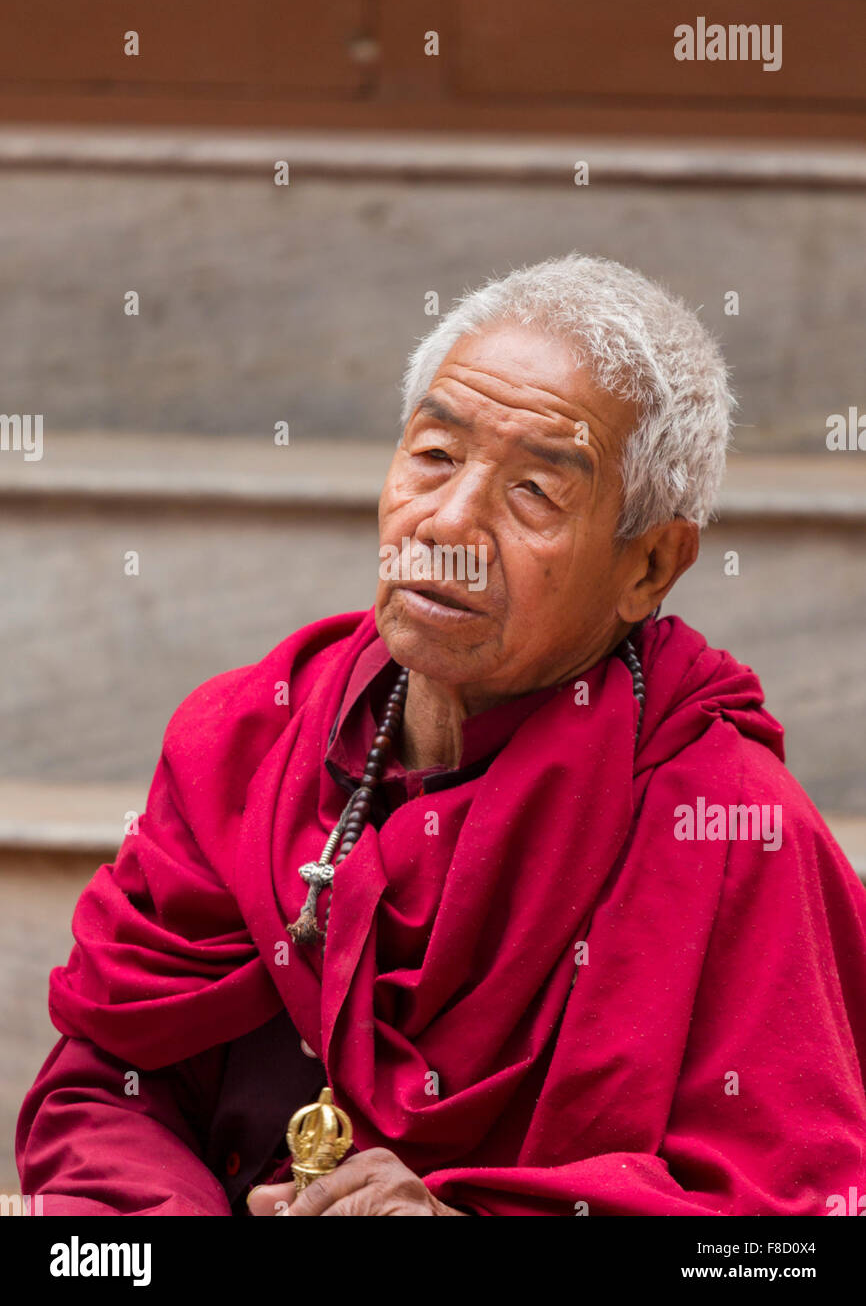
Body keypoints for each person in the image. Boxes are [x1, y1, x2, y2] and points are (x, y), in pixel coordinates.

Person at [17, 254, 866, 1216]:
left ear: (651, 566)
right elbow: (112, 1087)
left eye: (536, 492)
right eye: (434, 455)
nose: (449, 523)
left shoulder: (731, 828)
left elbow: (783, 1232)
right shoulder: (248, 743)